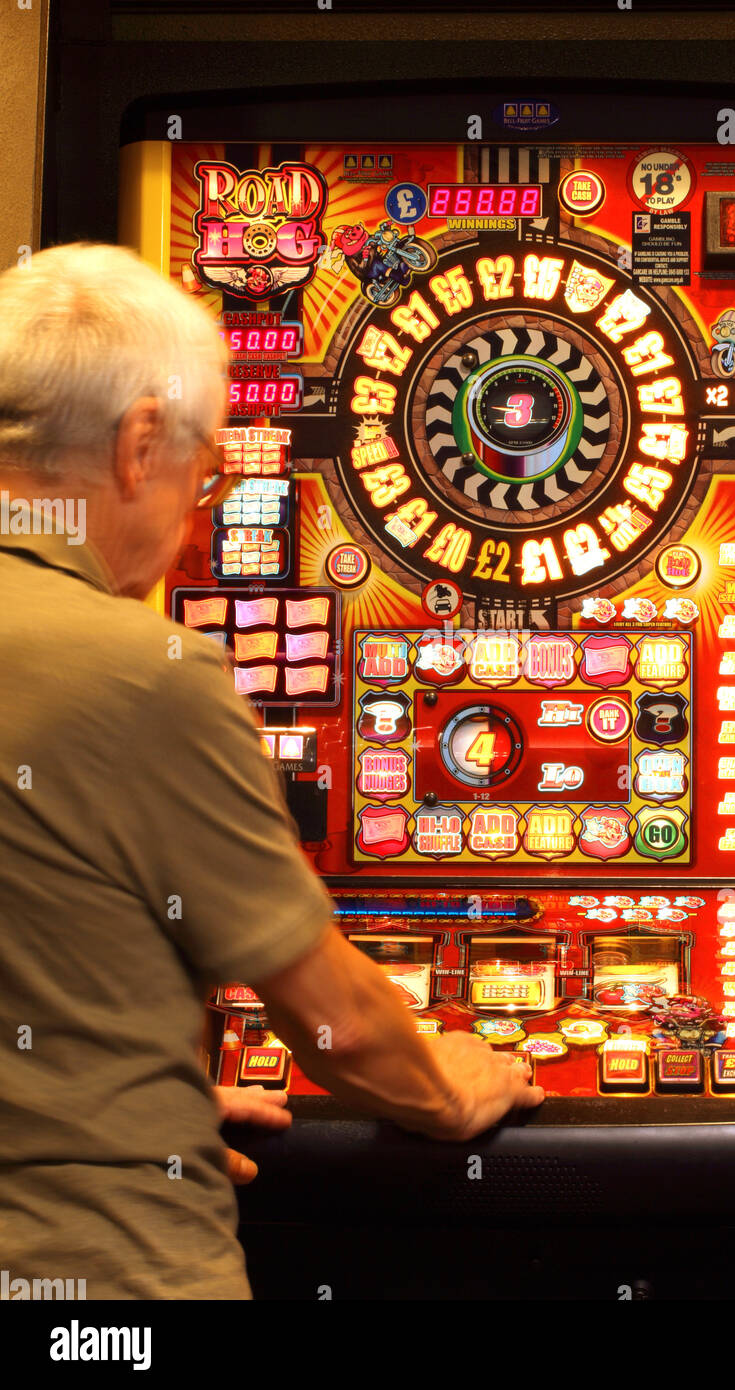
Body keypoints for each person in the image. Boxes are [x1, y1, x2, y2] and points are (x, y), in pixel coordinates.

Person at [0, 243, 544, 1301]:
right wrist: (447, 1081)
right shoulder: (137, 671)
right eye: (201, 482)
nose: (195, 526)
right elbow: (328, 1020)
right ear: (138, 441)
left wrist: (124, 1092)